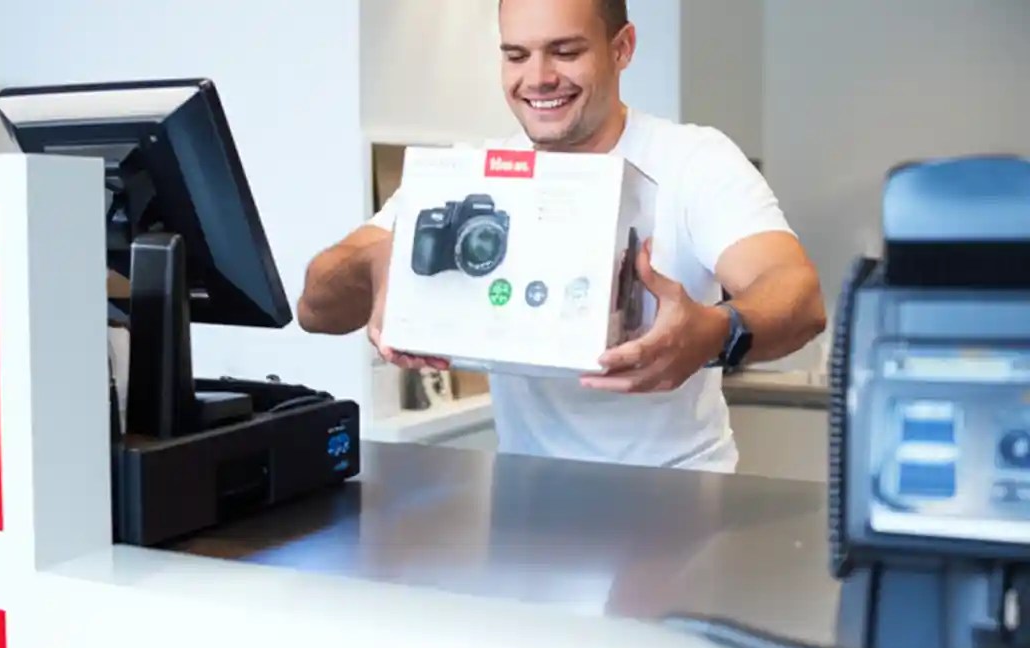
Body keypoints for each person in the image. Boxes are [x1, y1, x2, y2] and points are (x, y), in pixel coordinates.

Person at [297, 0, 827, 472]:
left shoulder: (694, 161)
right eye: (516, 55)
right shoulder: (471, 175)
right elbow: (314, 309)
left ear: (622, 48)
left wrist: (714, 332)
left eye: (565, 52)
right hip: (528, 499)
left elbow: (798, 294)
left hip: (677, 491)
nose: (538, 78)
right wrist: (377, 262)